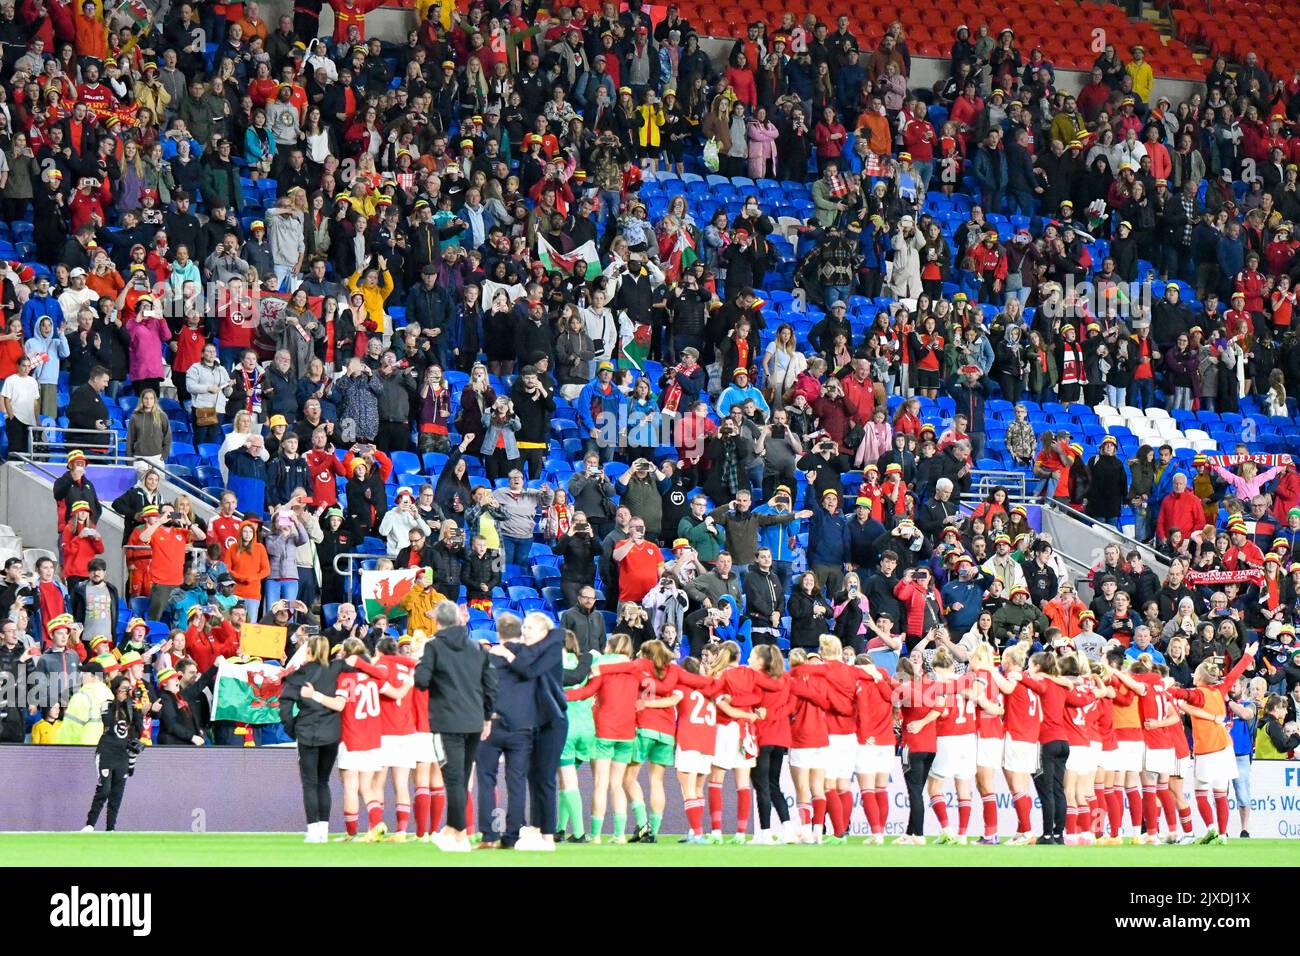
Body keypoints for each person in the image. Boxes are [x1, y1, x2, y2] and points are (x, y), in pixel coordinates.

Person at [413, 602, 495, 853]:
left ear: (438, 621)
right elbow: (490, 684)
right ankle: (453, 831)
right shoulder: (476, 647)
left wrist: (421, 664)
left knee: (454, 780)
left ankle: (458, 836)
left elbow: (422, 682)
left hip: (447, 722)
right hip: (473, 722)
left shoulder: (434, 647)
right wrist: (487, 717)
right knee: (461, 778)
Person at [82, 670, 144, 832]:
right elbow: (108, 721)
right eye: (123, 688)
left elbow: (138, 731)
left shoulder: (131, 708)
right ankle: (90, 825)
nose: (127, 691)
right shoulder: (107, 704)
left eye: (128, 688)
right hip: (107, 752)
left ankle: (110, 829)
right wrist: (121, 701)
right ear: (116, 689)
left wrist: (136, 709)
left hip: (122, 755)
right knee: (104, 789)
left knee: (117, 794)